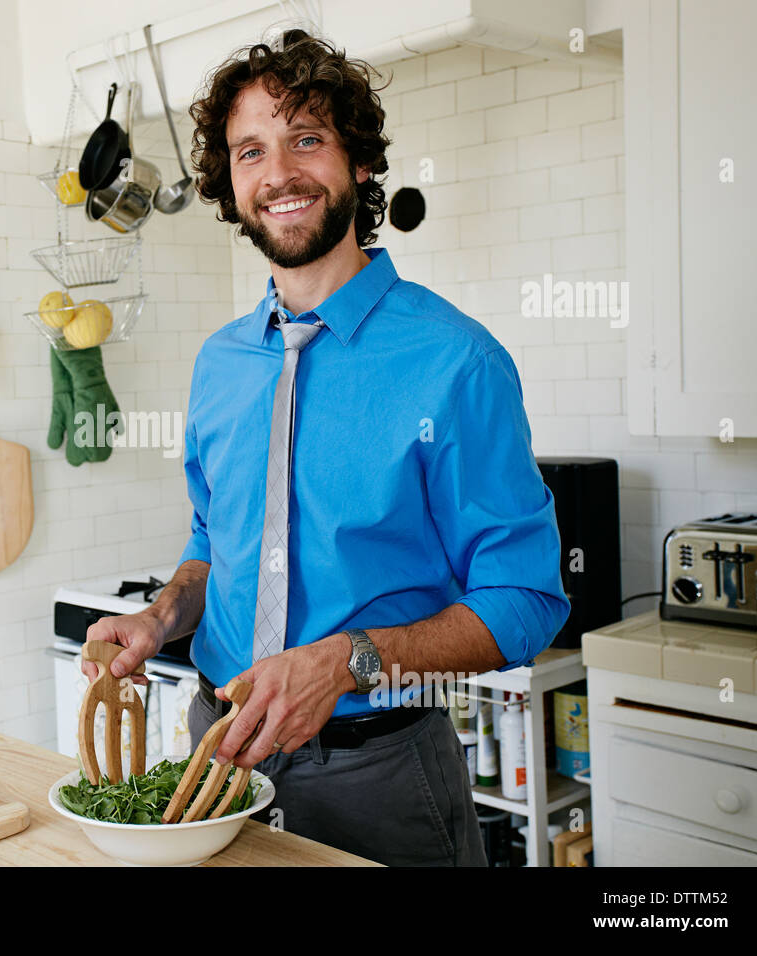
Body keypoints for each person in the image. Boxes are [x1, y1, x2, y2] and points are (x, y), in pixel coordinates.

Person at [81, 29, 570, 866]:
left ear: (361, 165)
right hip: (216, 761)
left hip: (378, 775)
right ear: (231, 189)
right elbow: (214, 545)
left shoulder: (457, 362)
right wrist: (161, 619)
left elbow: (526, 602)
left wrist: (349, 663)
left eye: (307, 138)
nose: (279, 173)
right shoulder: (219, 364)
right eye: (250, 151)